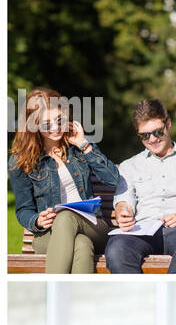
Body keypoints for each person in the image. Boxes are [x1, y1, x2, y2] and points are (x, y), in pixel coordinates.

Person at [9, 86, 119, 273]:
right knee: (81, 245)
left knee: (66, 217)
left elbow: (113, 180)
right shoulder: (21, 160)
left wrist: (85, 145)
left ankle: (51, 296)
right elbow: (23, 209)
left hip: (92, 225)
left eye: (59, 120)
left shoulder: (79, 145)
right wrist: (37, 220)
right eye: (46, 124)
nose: (55, 128)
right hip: (48, 234)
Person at [106, 98, 176, 273]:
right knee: (116, 250)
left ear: (168, 124)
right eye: (144, 135)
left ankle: (169, 298)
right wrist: (123, 212)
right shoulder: (129, 166)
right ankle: (141, 300)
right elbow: (124, 200)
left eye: (158, 132)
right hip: (141, 229)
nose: (152, 139)